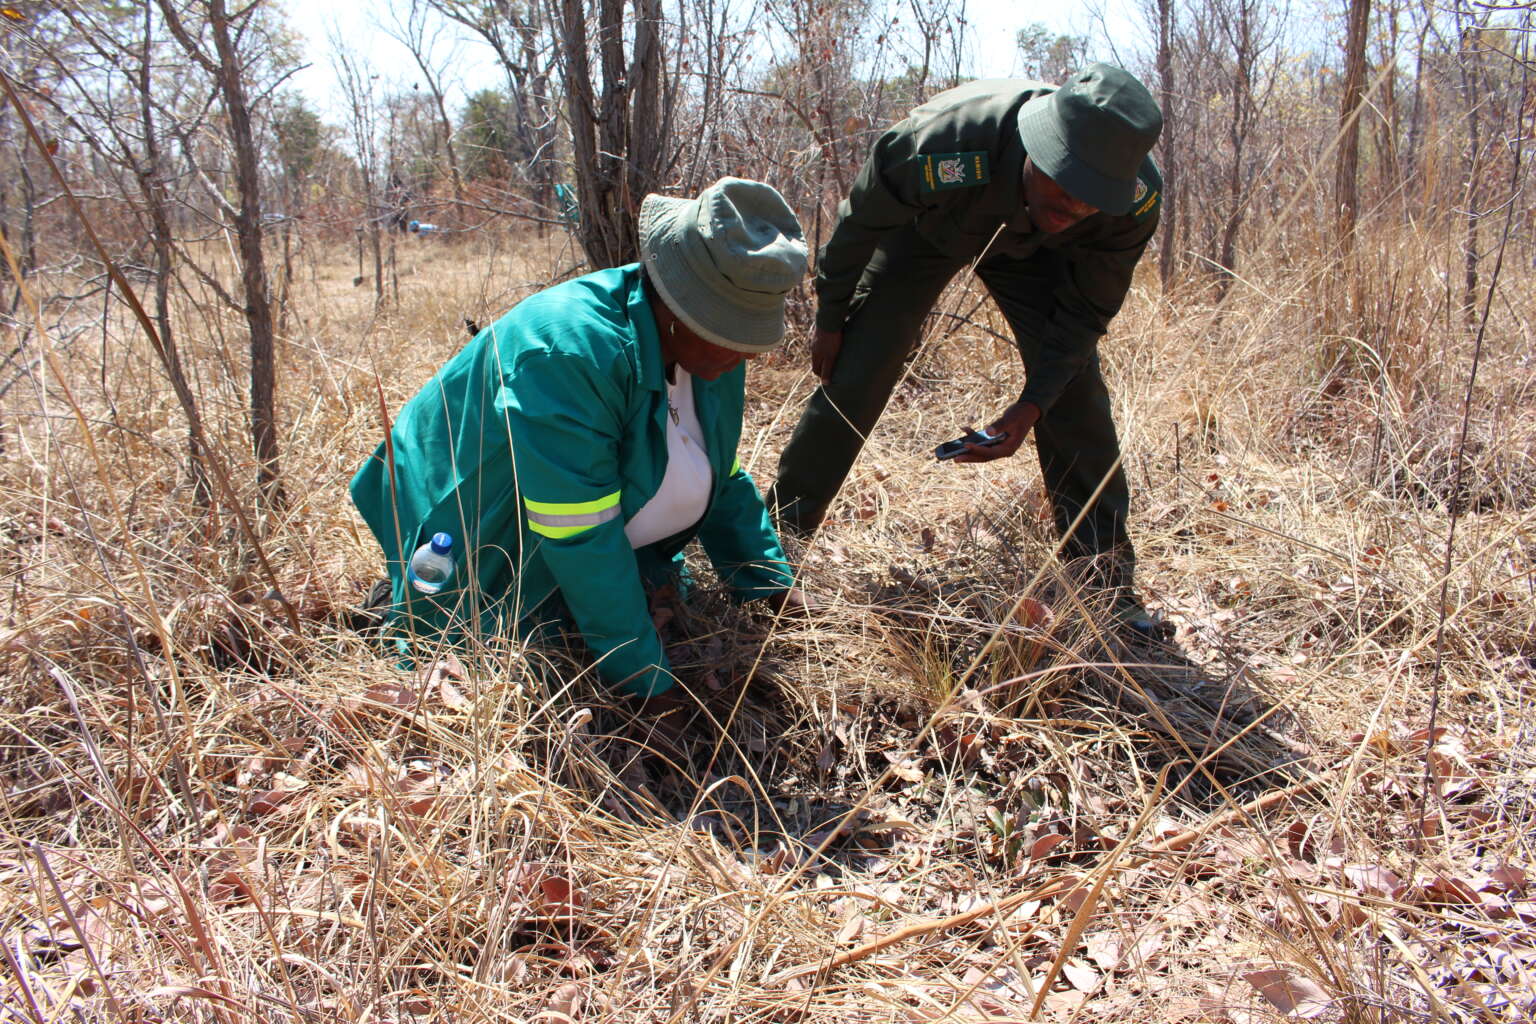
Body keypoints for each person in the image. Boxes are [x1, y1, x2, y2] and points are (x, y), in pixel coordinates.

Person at [350, 177, 812, 713]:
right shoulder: (569, 354)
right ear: (680, 307)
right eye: (731, 332)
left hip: (584, 527)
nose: (746, 356)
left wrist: (767, 583)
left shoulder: (709, 349)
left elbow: (718, 468)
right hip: (481, 515)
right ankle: (402, 606)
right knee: (487, 638)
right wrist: (644, 681)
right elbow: (580, 531)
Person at [767, 64, 1168, 636]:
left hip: (1038, 258)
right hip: (932, 231)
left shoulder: (1130, 201)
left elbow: (1084, 318)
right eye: (1062, 182)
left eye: (1090, 198)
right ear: (1039, 145)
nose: (1074, 205)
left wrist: (1030, 408)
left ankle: (1104, 580)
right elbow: (858, 223)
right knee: (863, 360)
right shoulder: (945, 142)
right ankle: (776, 539)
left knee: (1075, 394)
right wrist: (832, 317)